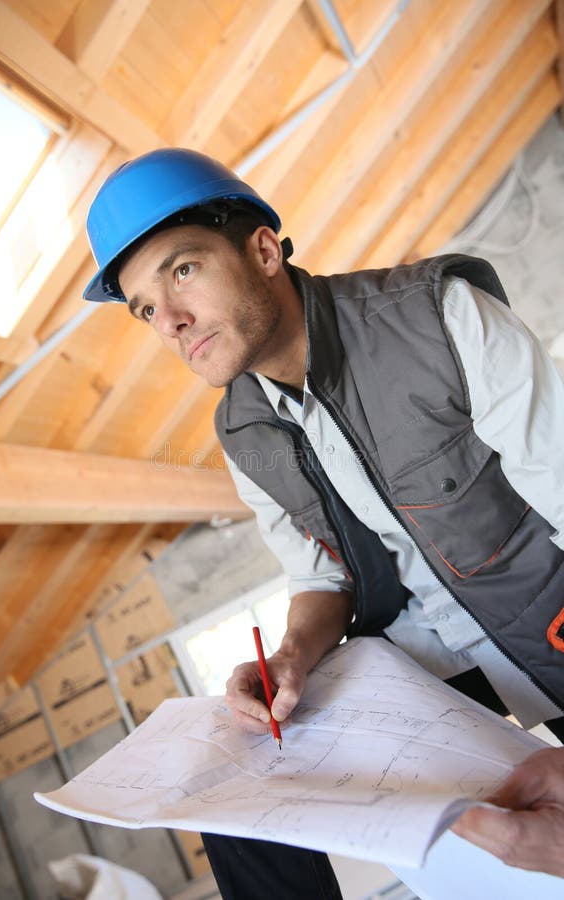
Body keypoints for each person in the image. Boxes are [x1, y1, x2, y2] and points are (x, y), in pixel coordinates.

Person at [83, 148, 564, 893]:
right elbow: (320, 576)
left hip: (544, 616)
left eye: (183, 270)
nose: (170, 322)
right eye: (145, 308)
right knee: (235, 780)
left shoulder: (438, 318)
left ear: (263, 251)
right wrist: (292, 656)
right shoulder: (242, 429)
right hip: (426, 652)